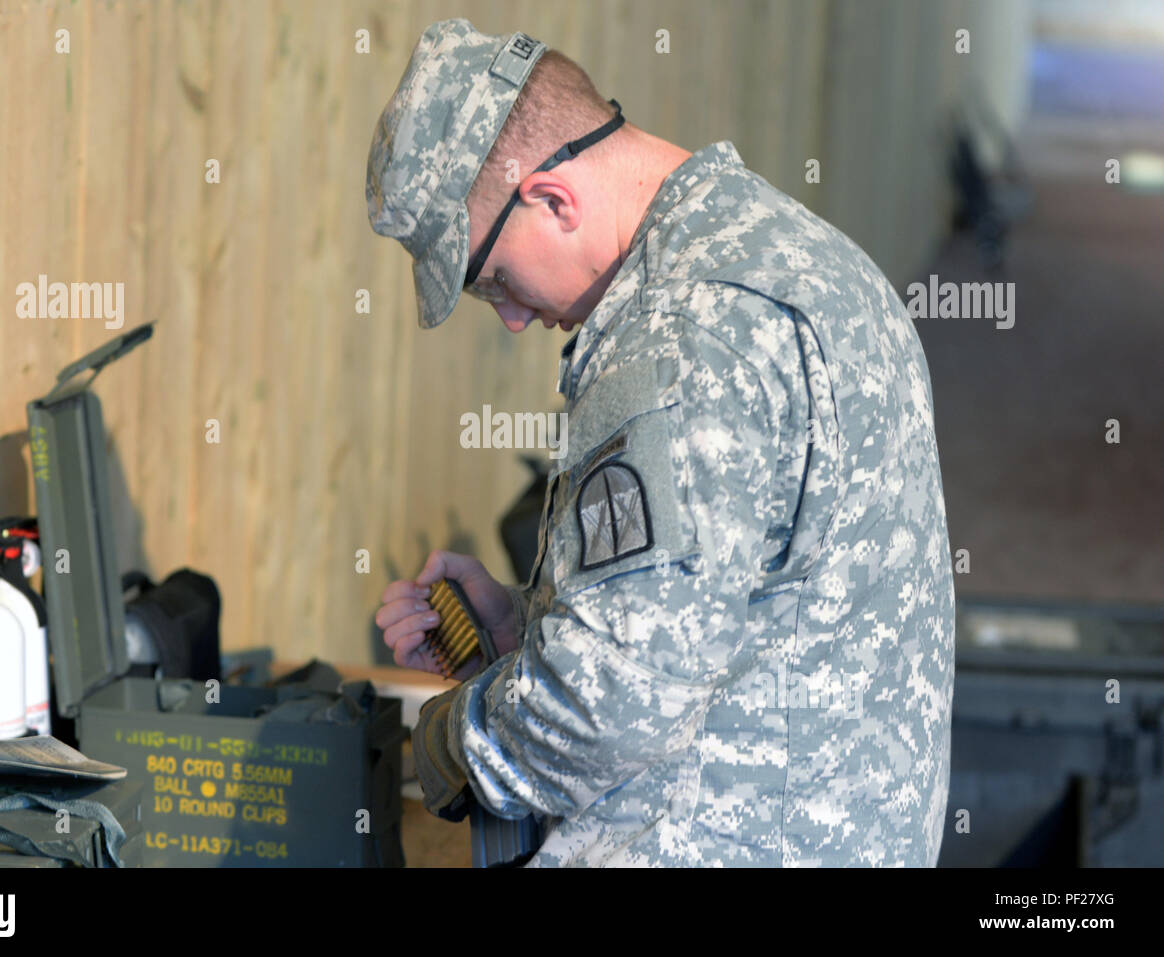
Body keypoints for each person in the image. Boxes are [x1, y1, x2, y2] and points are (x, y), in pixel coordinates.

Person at [367, 19, 955, 866]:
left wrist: (449, 740)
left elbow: (604, 709)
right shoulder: (798, 255)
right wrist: (525, 632)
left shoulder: (680, 337)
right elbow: (732, 611)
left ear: (552, 198)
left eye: (492, 279)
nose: (513, 316)